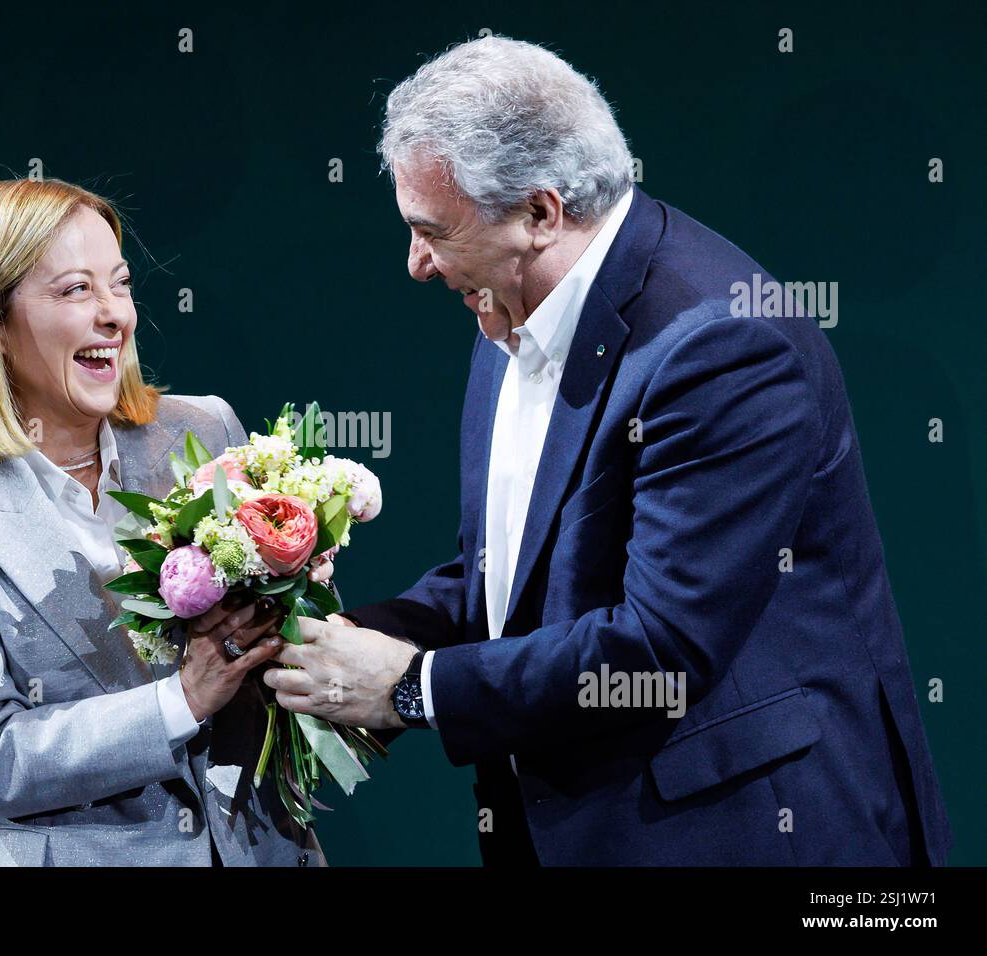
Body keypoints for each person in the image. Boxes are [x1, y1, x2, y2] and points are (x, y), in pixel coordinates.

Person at [264, 35, 953, 866]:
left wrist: (411, 687)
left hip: (744, 834)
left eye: (431, 231)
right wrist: (338, 640)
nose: (415, 264)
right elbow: (515, 580)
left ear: (540, 213)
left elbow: (658, 649)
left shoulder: (723, 348)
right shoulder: (509, 307)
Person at [0, 178, 323, 866]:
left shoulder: (204, 430)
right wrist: (183, 698)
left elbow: (273, 660)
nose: (115, 315)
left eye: (120, 284)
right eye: (76, 290)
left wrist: (298, 604)